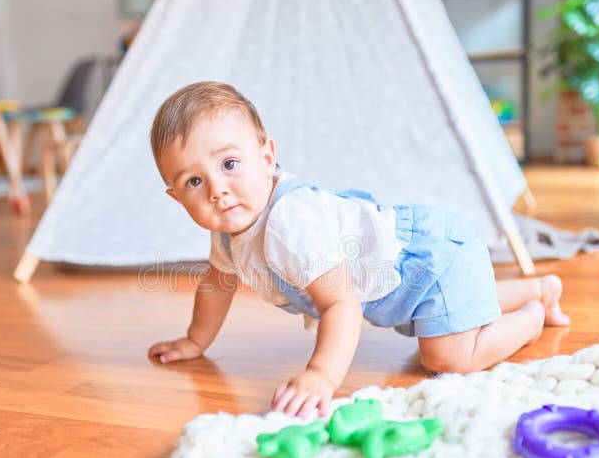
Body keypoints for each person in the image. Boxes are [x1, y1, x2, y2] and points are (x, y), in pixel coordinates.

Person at [147, 82, 569, 418]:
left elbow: (341, 305)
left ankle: (531, 319)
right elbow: (217, 285)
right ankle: (539, 290)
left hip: (429, 255)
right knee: (447, 312)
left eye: (229, 164)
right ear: (175, 197)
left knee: (446, 357)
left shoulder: (292, 222)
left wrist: (320, 376)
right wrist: (194, 340)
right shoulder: (227, 232)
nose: (217, 190)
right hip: (408, 283)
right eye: (194, 183)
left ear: (267, 155)